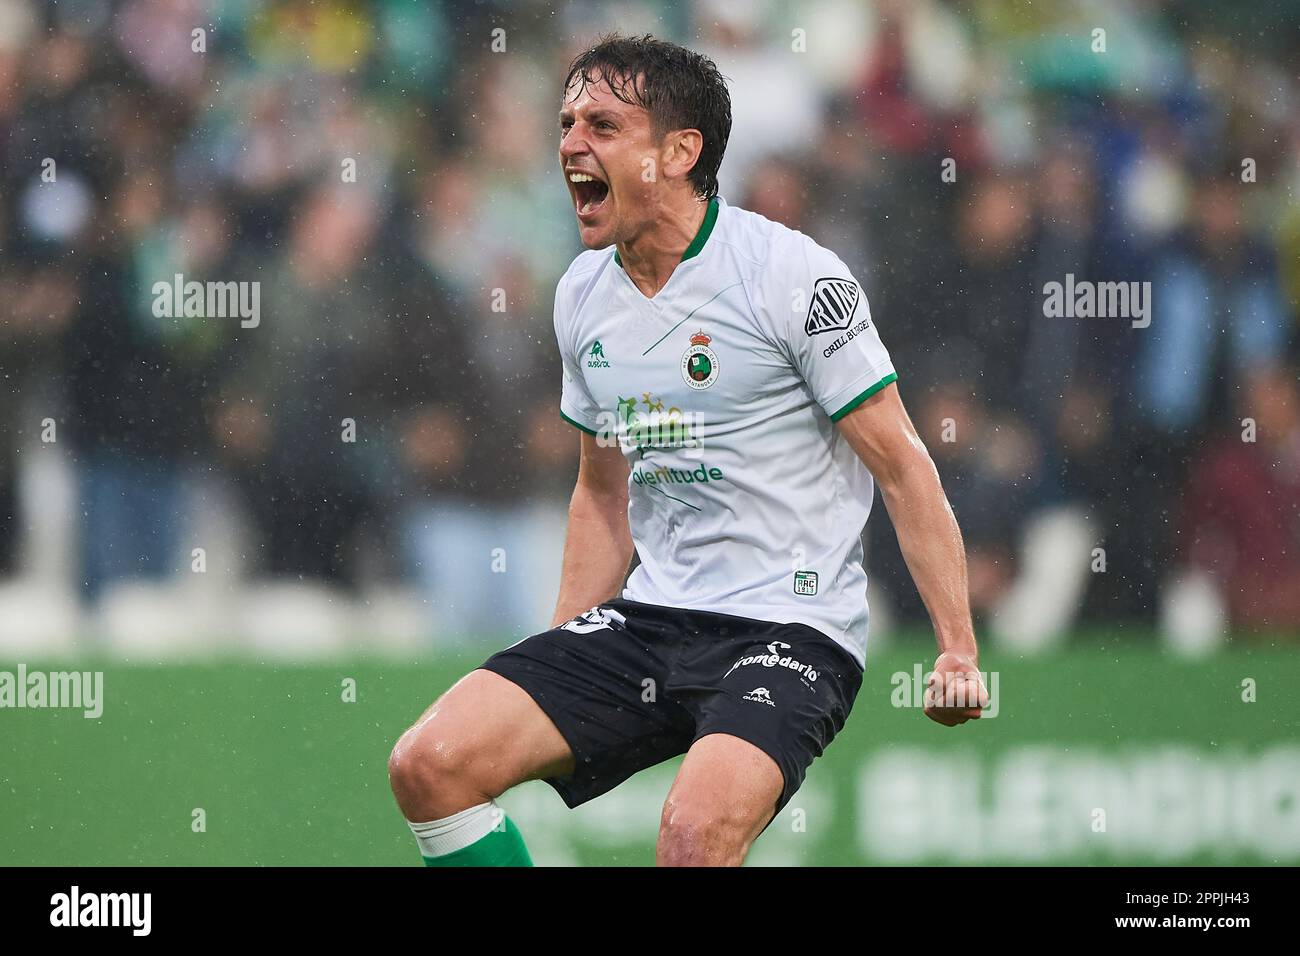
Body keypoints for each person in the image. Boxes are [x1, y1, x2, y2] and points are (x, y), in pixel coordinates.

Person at [388, 33, 987, 867]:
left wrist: (956, 645)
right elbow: (601, 492)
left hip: (792, 626)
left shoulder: (793, 278)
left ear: (679, 151)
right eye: (565, 122)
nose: (568, 144)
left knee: (693, 834)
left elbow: (902, 463)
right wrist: (563, 653)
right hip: (652, 617)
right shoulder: (581, 296)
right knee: (428, 765)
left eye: (601, 123)